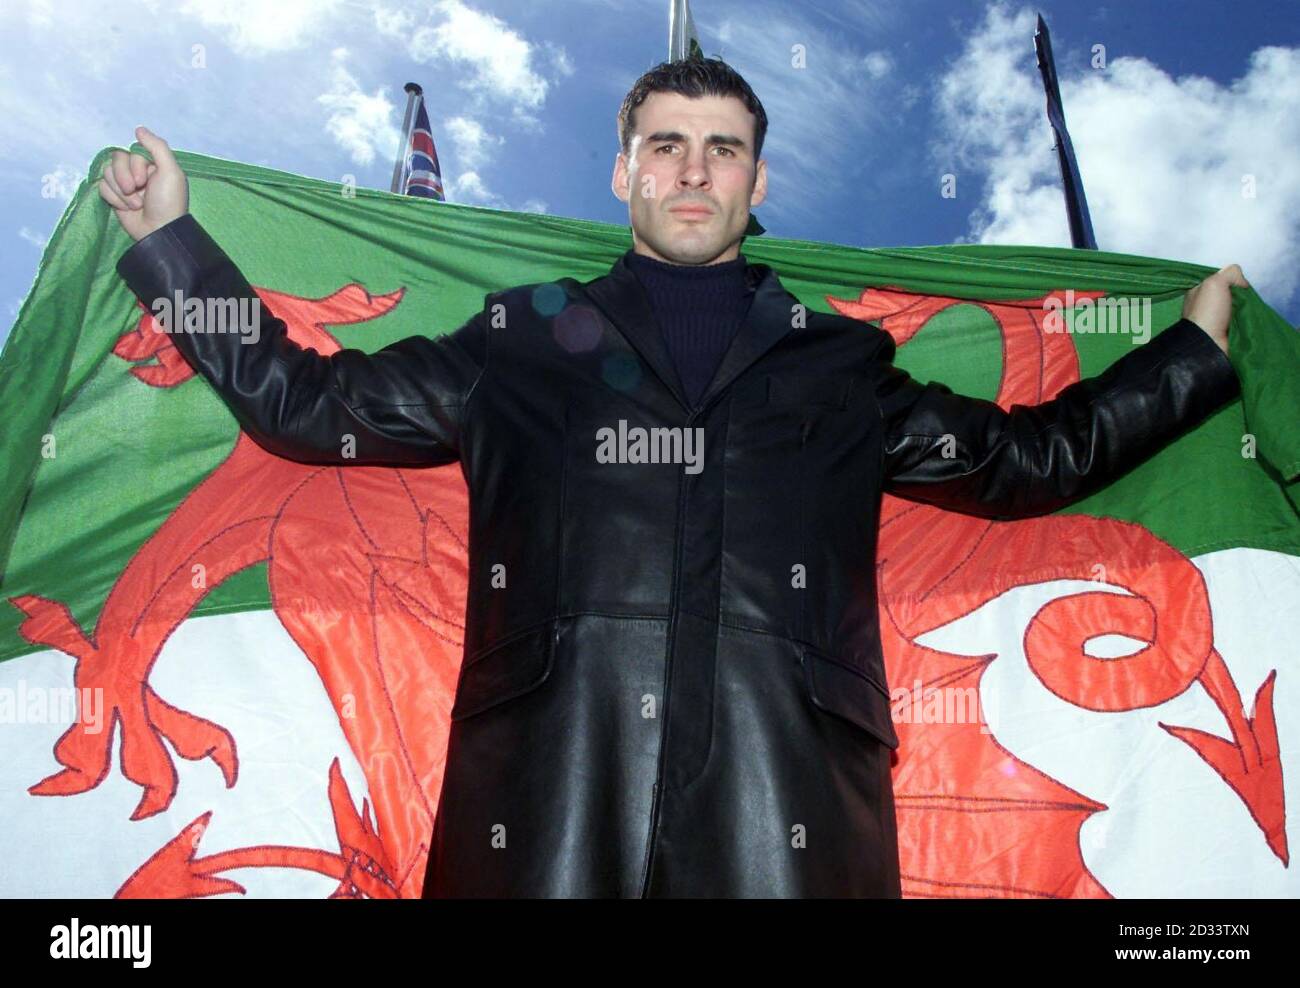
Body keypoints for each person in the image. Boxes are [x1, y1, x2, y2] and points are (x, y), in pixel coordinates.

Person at [101, 57, 1248, 898]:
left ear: (756, 180)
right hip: (546, 792)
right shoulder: (515, 340)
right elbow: (311, 409)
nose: (693, 169)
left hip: (786, 797)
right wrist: (172, 246)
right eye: (665, 144)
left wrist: (1191, 356)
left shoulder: (839, 362)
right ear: (623, 170)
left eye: (722, 149)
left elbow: (1019, 464)